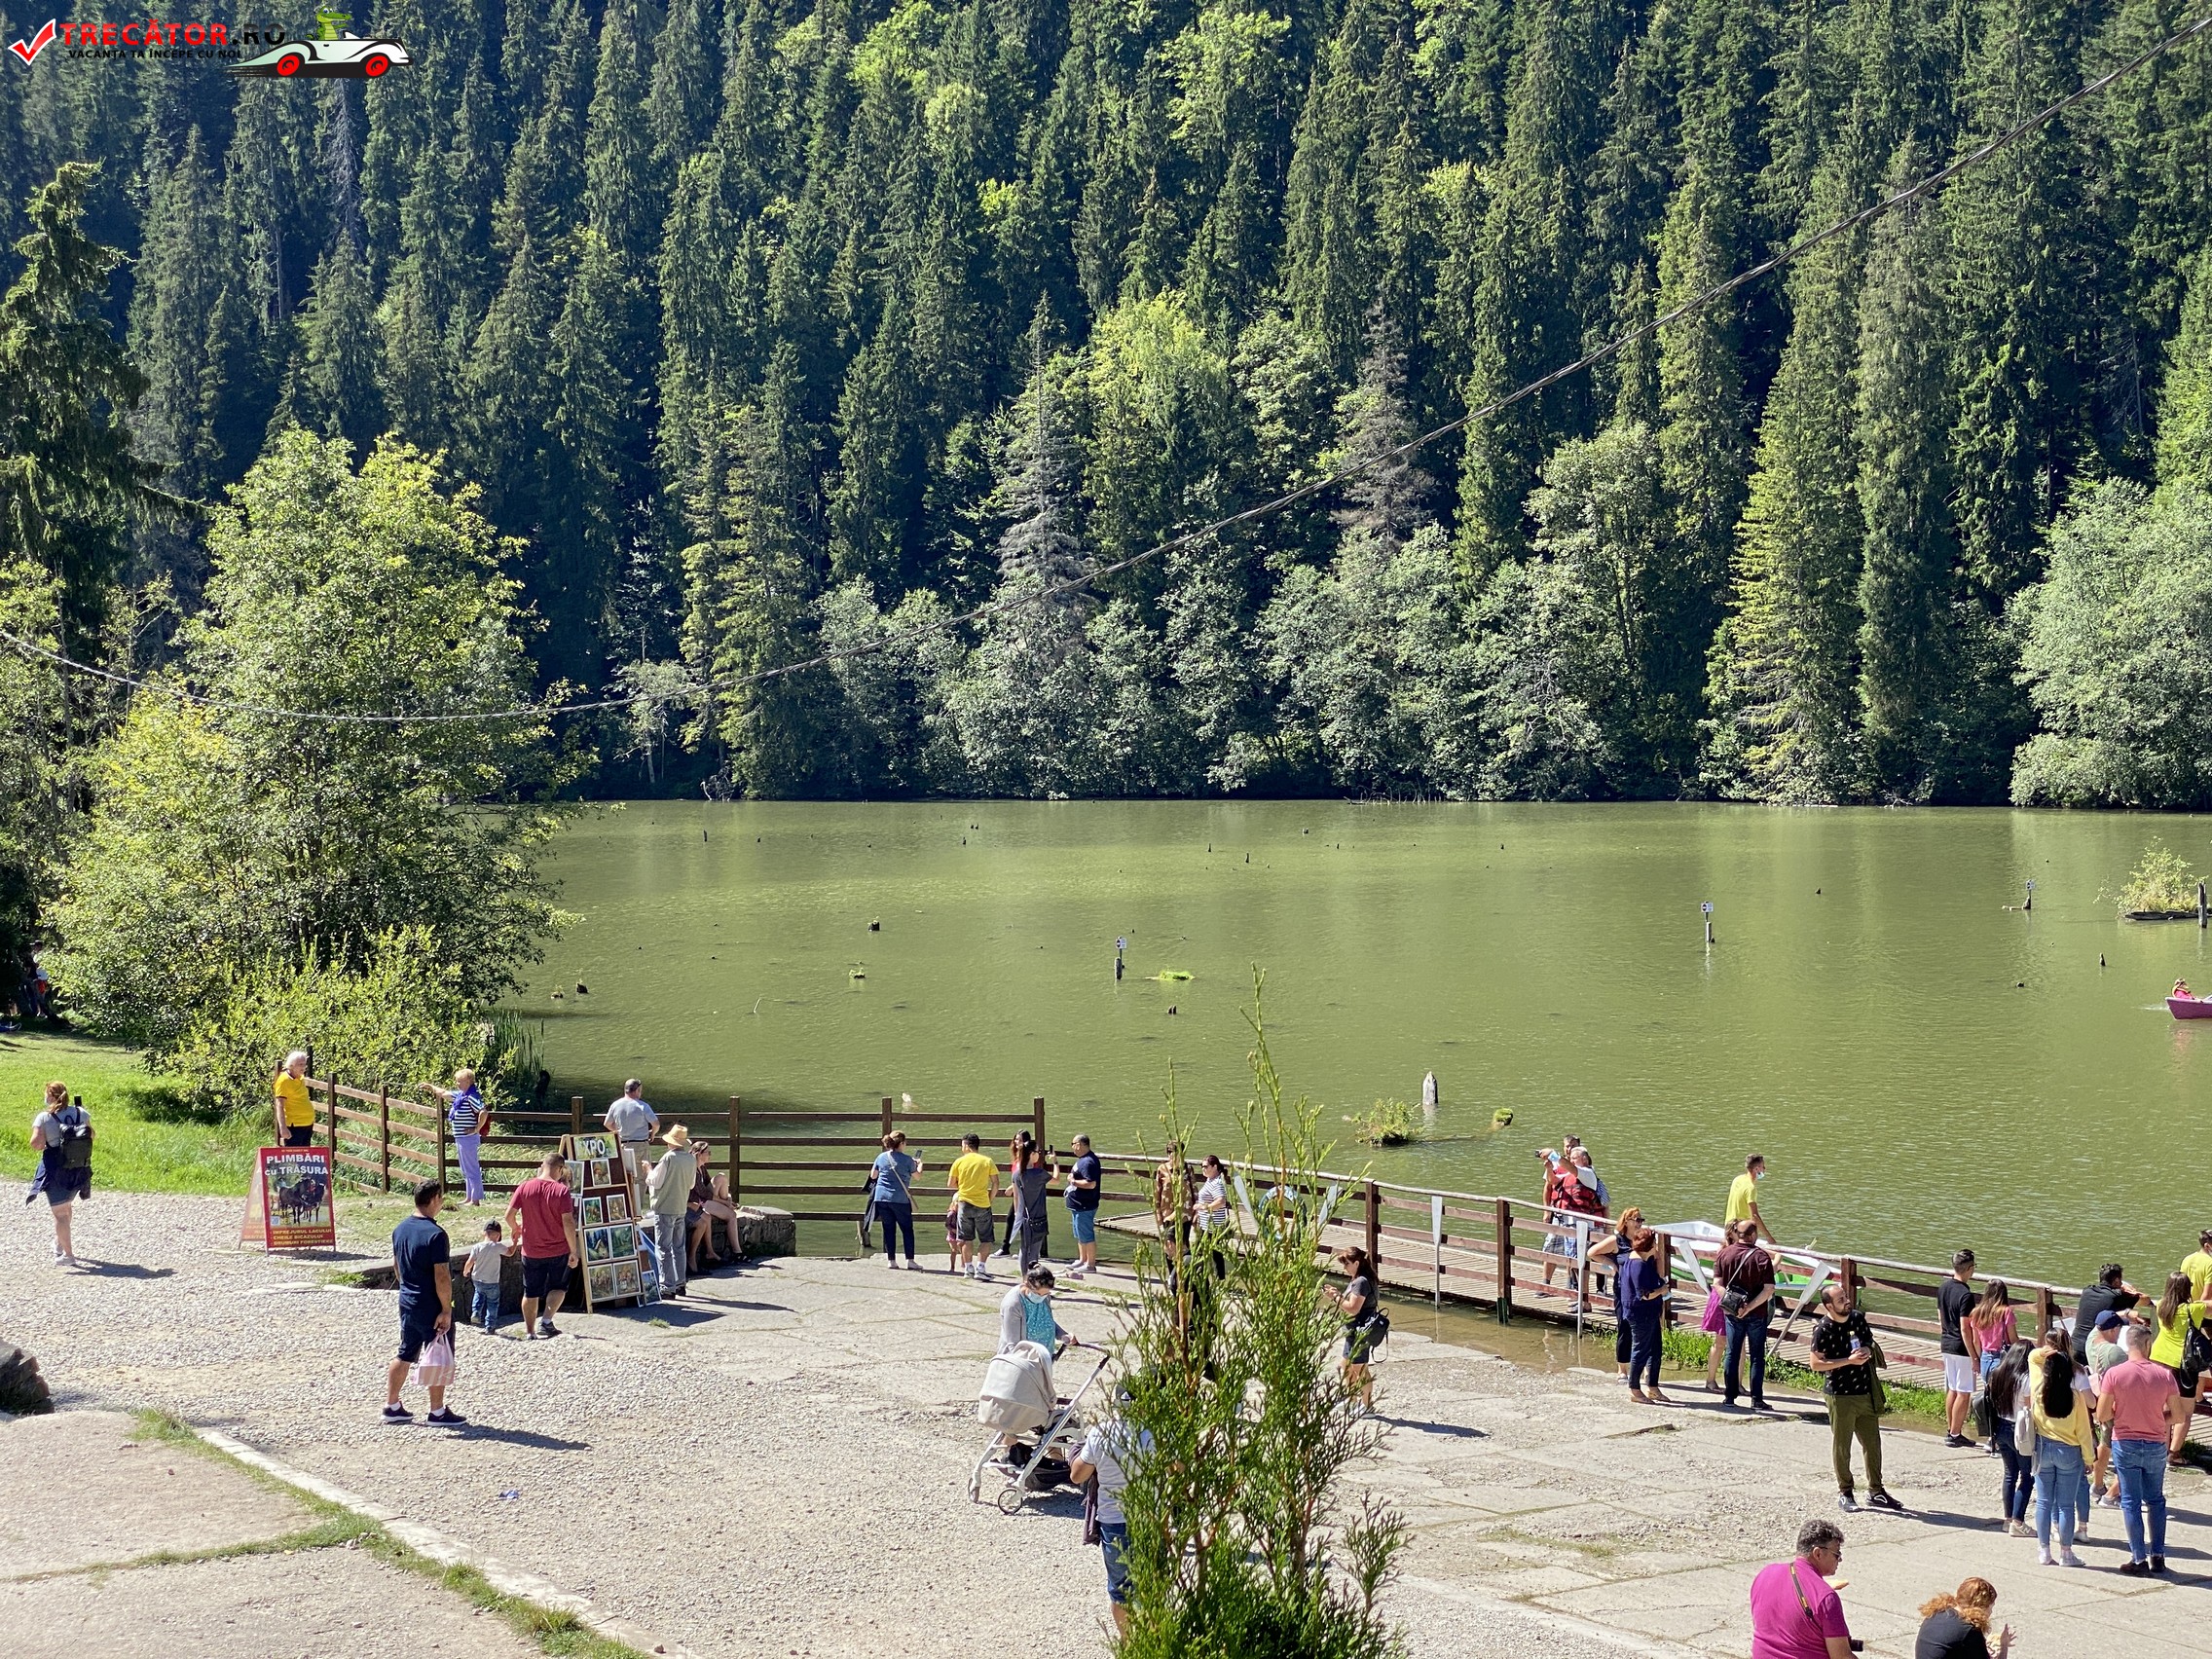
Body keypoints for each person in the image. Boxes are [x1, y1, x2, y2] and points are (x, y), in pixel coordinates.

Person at [2097, 1322, 2183, 1573]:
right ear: (2147, 1344)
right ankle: (2158, 1555)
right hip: (2156, 1443)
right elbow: (2178, 1415)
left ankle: (2138, 1557)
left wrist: (2120, 1415)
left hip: (2125, 1442)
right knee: (2156, 1500)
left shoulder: (2115, 1374)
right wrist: (2157, 1419)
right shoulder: (2164, 1375)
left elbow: (2102, 1413)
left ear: (2127, 1345)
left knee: (2131, 1501)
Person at [1807, 1281, 1900, 1513]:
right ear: (1828, 1306)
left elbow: (1869, 1342)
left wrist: (1867, 1351)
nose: (1847, 1302)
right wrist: (1848, 1361)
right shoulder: (1823, 1329)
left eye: (1846, 1297)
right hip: (1840, 1395)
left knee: (1873, 1444)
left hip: (1865, 1391)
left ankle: (1876, 1491)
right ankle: (1845, 1491)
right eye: (1840, 1300)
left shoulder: (1858, 1318)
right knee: (1842, 1446)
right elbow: (1815, 1363)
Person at [386, 1178, 464, 1426]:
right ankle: (437, 1411)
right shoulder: (436, 1235)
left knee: (405, 1352)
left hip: (408, 1300)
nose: (442, 1203)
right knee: (439, 1352)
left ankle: (392, 1405)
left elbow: (397, 1265)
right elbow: (442, 1275)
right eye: (441, 1198)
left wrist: (407, 1287)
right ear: (433, 1200)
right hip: (431, 1304)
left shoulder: (400, 1229)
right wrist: (445, 1309)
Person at [1068, 1410, 1142, 1639]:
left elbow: (1077, 1476)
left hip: (1114, 1522)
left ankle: (1128, 1645)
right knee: (1152, 1587)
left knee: (1121, 1590)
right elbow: (1178, 1470)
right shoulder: (1159, 1433)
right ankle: (1154, 1646)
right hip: (1150, 1520)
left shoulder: (1102, 1432)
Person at [1747, 1519, 1854, 1659]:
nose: (1839, 1560)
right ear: (1818, 1554)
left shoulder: (1765, 1574)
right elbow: (1841, 1657)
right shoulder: (1826, 1598)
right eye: (1837, 1554)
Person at [503, 1150, 581, 1338]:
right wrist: (573, 1250)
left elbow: (508, 1216)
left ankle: (530, 1332)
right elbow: (568, 1222)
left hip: (531, 1250)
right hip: (558, 1249)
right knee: (559, 1287)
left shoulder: (525, 1187)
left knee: (530, 1292)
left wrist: (516, 1229)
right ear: (560, 1169)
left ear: (543, 1166)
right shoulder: (561, 1191)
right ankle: (546, 1321)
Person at [2026, 1346, 2091, 1567]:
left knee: (2044, 1502)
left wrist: (2044, 1352)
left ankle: (2044, 1551)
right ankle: (2066, 1553)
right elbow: (2084, 1430)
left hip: (2044, 1448)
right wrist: (2089, 1458)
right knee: (2065, 1505)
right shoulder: (2074, 1397)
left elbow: (2031, 1358)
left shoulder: (2038, 1390)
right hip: (2069, 1451)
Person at [2145, 1268, 2209, 1464]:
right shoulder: (2194, 1309)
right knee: (2185, 1414)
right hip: (2181, 1365)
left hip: (2157, 1360)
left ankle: (2161, 1449)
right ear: (2186, 1290)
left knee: (2165, 1406)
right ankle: (2175, 1453)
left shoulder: (2161, 1305)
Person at [1718, 1218, 1778, 1411]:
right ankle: (1757, 1399)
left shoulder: (1724, 1253)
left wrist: (1734, 1305)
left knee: (1732, 1353)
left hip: (1732, 1313)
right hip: (1757, 1314)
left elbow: (1716, 1284)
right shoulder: (1761, 1257)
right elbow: (1768, 1289)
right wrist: (1749, 1307)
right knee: (1756, 1356)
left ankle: (1729, 1396)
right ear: (1753, 1235)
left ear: (1737, 1233)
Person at [30, 1081, 91, 1266]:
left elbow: (36, 1144)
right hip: (79, 1168)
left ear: (50, 1095)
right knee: (66, 1206)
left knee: (60, 1214)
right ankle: (59, 1243)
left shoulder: (44, 1117)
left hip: (55, 1169)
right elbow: (92, 1135)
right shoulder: (81, 1113)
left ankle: (69, 1255)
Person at [1983, 1342, 2032, 1536]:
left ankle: (2008, 1519)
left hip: (2001, 1427)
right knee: (2027, 1477)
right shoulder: (2026, 1379)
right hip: (2019, 1429)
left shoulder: (1997, 1373)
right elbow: (2030, 1409)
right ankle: (2018, 1522)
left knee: (2010, 1474)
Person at [1327, 1246, 1383, 1415]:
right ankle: (1351, 1400)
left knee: (1360, 1369)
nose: (1344, 1267)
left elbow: (1353, 1308)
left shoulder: (1361, 1282)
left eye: (1347, 1264)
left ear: (1357, 1263)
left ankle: (1367, 1406)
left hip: (1360, 1331)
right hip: (1354, 1331)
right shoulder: (1363, 1279)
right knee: (1346, 1366)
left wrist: (1335, 1297)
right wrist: (1337, 1293)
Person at [1619, 1231, 1673, 1404]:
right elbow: (1644, 1294)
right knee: (1640, 1350)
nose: (1656, 1247)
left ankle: (1653, 1386)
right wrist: (1662, 1291)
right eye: (1654, 1244)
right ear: (1649, 1245)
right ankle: (1634, 1388)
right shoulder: (1638, 1265)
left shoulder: (1641, 1260)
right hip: (1640, 1313)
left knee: (1655, 1349)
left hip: (1650, 1312)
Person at [2084, 1309, 2130, 1505]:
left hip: (2100, 1400)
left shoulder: (2091, 1339)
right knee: (2124, 1446)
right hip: (2116, 1403)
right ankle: (2113, 1494)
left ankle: (2097, 1484)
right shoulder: (2114, 1352)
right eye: (2119, 1328)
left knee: (2105, 1441)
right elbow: (2130, 1374)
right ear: (2113, 1330)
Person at [426, 1069, 491, 1205]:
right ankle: (469, 1197)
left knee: (472, 1168)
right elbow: (444, 1093)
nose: (457, 1084)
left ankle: (475, 1199)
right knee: (466, 1168)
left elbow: (483, 1112)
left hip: (468, 1138)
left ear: (468, 1081)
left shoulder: (472, 1096)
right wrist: (431, 1087)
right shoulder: (461, 1096)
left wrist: (476, 1129)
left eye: (459, 1081)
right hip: (461, 1137)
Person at [646, 1125, 697, 1296]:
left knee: (663, 1247)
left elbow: (656, 1181)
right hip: (681, 1206)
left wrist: (648, 1170)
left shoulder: (668, 1158)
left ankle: (667, 1286)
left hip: (665, 1207)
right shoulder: (691, 1159)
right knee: (679, 1247)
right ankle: (680, 1282)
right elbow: (691, 1184)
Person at [1936, 1249, 1978, 1446]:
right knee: (1964, 1391)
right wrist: (1975, 1356)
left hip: (1946, 1343)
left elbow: (1940, 1317)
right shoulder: (1966, 1295)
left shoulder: (1943, 1288)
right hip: (1961, 1348)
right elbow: (1965, 1327)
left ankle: (1951, 1428)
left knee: (1952, 1388)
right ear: (1969, 1269)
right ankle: (1955, 1434)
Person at [1913, 1576, 2011, 1659]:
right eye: (1991, 1607)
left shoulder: (1937, 1613)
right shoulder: (1969, 1630)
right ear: (1981, 1607)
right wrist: (2004, 1645)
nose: (1991, 1612)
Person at [947, 1132, 1001, 1280]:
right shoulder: (987, 1161)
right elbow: (996, 1182)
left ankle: (968, 1268)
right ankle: (981, 1268)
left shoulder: (959, 1162)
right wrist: (990, 1198)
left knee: (965, 1238)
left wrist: (963, 1186)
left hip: (964, 1203)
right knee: (986, 1239)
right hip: (983, 1203)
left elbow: (950, 1184)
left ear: (966, 1145)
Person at [684, 1139, 744, 1272]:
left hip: (705, 1199)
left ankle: (735, 1252)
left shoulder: (701, 1168)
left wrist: (726, 1198)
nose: (710, 1155)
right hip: (698, 1202)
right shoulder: (693, 1169)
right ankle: (736, 1252)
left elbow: (707, 1184)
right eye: (708, 1152)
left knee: (721, 1177)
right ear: (699, 1154)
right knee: (731, 1215)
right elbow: (703, 1193)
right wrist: (724, 1202)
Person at [867, 1130, 920, 1270]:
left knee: (888, 1228)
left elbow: (873, 1175)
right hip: (900, 1199)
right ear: (901, 1143)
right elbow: (917, 1177)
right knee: (907, 1229)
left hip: (881, 1197)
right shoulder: (908, 1159)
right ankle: (910, 1261)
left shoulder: (881, 1157)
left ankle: (891, 1260)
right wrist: (919, 1165)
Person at [2071, 1263, 2142, 1366]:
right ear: (2117, 1281)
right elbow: (2144, 1299)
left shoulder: (2087, 1291)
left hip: (2073, 1345)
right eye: (2120, 1281)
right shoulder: (2117, 1297)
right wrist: (2131, 1290)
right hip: (2093, 1350)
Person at [999, 1264, 1077, 1355]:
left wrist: (1063, 1335)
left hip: (1043, 1357)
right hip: (1022, 1359)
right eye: (1037, 1294)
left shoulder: (1044, 1296)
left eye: (1046, 1294)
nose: (1041, 1297)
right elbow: (1013, 1345)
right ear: (1026, 1284)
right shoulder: (1012, 1305)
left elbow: (1045, 1320)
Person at [1012, 1138, 1054, 1272]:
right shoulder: (1039, 1173)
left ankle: (1025, 1277)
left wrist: (1016, 1214)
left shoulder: (1017, 1174)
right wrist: (1055, 1162)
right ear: (1031, 1154)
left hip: (1023, 1217)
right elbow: (1057, 1180)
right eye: (1037, 1152)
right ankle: (1032, 1279)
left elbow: (1016, 1195)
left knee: (1024, 1249)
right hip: (1038, 1217)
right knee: (1034, 1252)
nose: (1039, 1154)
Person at [1064, 1133, 1102, 1278]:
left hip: (1085, 1205)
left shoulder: (1088, 1162)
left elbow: (1091, 1183)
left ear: (1079, 1145)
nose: (1072, 1147)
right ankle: (1082, 1259)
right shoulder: (1083, 1160)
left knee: (1086, 1234)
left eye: (1073, 1144)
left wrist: (1073, 1182)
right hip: (1077, 1205)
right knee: (1080, 1234)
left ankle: (1090, 1264)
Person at [462, 1219, 511, 1331]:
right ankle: (489, 1326)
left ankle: (475, 1312)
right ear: (498, 1235)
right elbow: (510, 1253)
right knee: (492, 1303)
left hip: (477, 1279)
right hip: (492, 1281)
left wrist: (466, 1271)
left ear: (484, 1233)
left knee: (478, 1294)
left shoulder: (477, 1247)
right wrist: (514, 1242)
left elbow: (470, 1261)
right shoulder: (498, 1246)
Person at [1966, 1280, 2016, 1384]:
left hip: (1985, 1357)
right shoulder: (2006, 1312)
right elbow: (2013, 1339)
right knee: (2002, 1393)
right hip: (2002, 1357)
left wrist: (1980, 1357)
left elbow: (1976, 1341)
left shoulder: (1976, 1313)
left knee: (1988, 1394)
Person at [1726, 1155, 1776, 1245]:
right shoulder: (1751, 1188)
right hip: (1740, 1231)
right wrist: (1769, 1237)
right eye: (1763, 1167)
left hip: (1728, 1227)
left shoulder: (1737, 1179)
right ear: (1757, 1169)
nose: (1765, 1169)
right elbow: (1755, 1216)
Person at [274, 1051, 315, 1148]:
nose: (303, 1067)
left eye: (304, 1064)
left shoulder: (300, 1077)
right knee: (293, 1156)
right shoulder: (284, 1080)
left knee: (305, 1156)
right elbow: (279, 1105)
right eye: (300, 1064)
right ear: (291, 1065)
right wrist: (283, 1127)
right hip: (295, 1125)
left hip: (307, 1123)